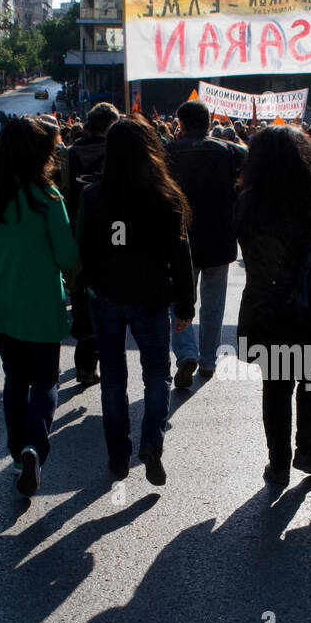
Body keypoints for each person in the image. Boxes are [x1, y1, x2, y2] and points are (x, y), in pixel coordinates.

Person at [0, 117, 79, 497]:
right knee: (45, 379)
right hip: (40, 303)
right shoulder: (49, 198)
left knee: (15, 377)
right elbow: (68, 255)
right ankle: (33, 448)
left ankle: (14, 454)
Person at [78, 116, 196, 485]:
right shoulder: (165, 195)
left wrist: (88, 286)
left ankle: (117, 456)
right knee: (157, 375)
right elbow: (181, 255)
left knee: (113, 380)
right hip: (151, 296)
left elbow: (83, 247)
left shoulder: (93, 194)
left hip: (108, 296)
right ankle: (151, 444)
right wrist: (186, 305)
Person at [236, 125, 311, 486]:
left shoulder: (248, 199)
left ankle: (279, 462)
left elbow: (238, 242)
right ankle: (307, 450)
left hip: (267, 302)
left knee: (276, 385)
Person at [165, 100, 245, 385]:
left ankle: (187, 352)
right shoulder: (230, 151)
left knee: (179, 299)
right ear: (209, 123)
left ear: (181, 124)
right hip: (219, 237)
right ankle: (209, 361)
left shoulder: (169, 152)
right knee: (214, 303)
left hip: (180, 238)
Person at [63, 101, 119, 385]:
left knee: (81, 298)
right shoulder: (117, 154)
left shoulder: (69, 154)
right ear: (111, 126)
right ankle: (100, 363)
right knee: (108, 300)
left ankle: (85, 365)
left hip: (76, 235)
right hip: (112, 237)